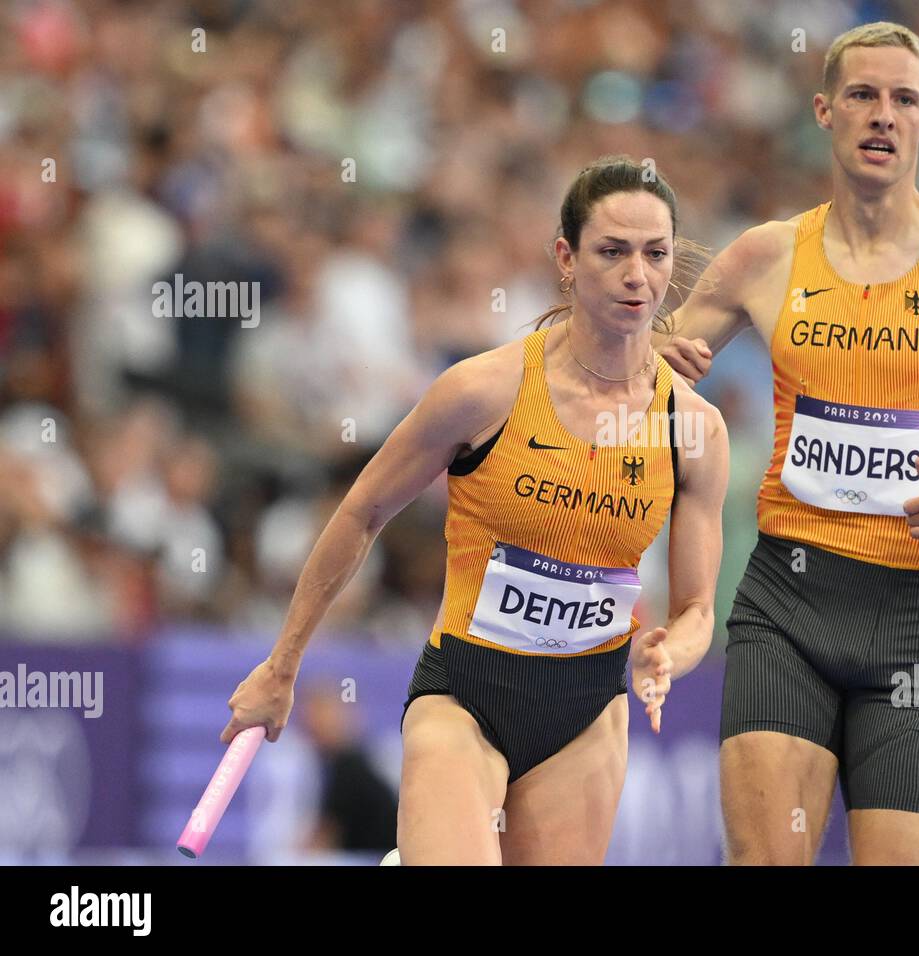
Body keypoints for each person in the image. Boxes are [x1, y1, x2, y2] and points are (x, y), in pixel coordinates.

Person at [222, 155, 729, 865]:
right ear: (566, 257)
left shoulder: (695, 429)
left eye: (655, 254)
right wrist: (282, 666)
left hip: (587, 711)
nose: (636, 275)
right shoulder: (481, 391)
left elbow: (700, 607)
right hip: (466, 695)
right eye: (611, 251)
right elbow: (361, 513)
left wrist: (671, 650)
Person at [659, 22, 919, 865]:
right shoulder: (765, 256)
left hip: (917, 621)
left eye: (903, 99)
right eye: (862, 95)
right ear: (824, 110)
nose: (881, 115)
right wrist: (647, 360)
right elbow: (641, 374)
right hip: (787, 601)